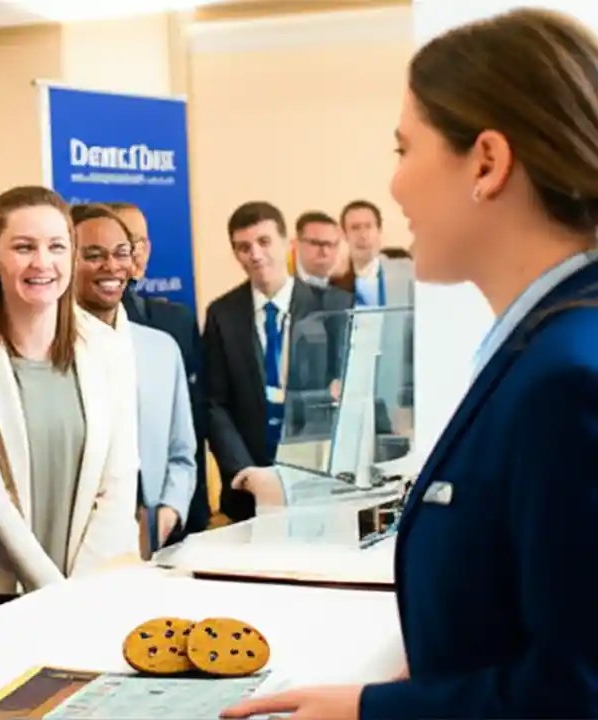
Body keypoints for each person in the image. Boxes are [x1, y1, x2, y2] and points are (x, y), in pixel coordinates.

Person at [225, 8, 598, 719]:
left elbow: (577, 694)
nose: (392, 187)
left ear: (486, 162)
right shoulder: (545, 346)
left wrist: (373, 713)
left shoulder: (567, 377)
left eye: (404, 150)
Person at [0, 188, 140, 600]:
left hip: (96, 587)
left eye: (56, 247)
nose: (42, 262)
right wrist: (49, 589)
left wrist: (78, 593)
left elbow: (119, 483)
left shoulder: (108, 349)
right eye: (23, 247)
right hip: (1, 591)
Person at [203, 201, 352, 522]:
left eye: (264, 242)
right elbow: (215, 403)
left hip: (317, 481)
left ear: (288, 244)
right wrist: (245, 472)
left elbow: (347, 391)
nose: (255, 254)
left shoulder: (334, 308)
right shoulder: (222, 314)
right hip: (249, 487)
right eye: (243, 247)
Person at [71, 203, 195, 553]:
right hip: (76, 546)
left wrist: (169, 511)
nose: (111, 266)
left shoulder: (161, 349)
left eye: (121, 253)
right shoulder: (49, 351)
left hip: (151, 536)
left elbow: (182, 453)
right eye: (93, 255)